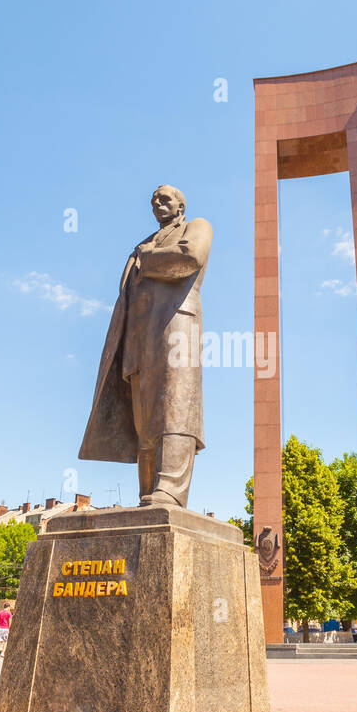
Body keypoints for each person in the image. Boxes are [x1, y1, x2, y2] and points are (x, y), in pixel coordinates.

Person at [78, 185, 213, 508]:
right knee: (145, 421)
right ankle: (148, 490)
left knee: (175, 410)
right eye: (154, 198)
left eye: (165, 198)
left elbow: (189, 257)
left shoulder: (197, 226)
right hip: (139, 338)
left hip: (177, 328)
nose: (157, 202)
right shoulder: (141, 244)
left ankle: (170, 489)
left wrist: (146, 258)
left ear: (181, 206)